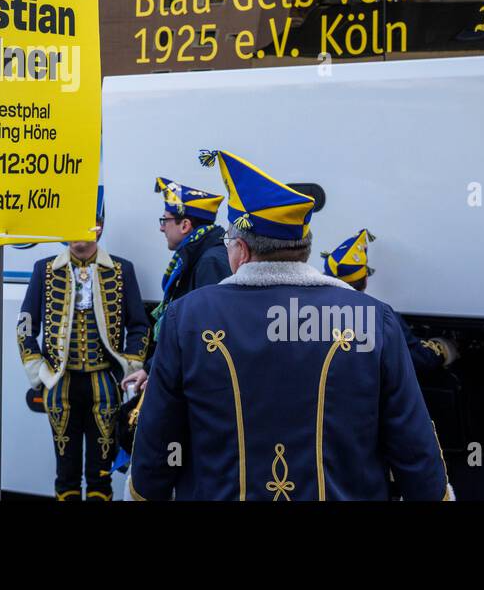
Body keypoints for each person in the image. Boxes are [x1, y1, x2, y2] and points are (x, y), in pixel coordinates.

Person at [128, 149, 452, 501]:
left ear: (242, 250)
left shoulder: (187, 318)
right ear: (304, 248)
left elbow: (156, 442)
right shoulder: (372, 319)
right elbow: (414, 447)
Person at [17, 191, 148, 500]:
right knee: (65, 470)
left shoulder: (120, 269)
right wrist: (38, 372)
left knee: (101, 472)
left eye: (87, 224)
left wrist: (130, 366)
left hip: (104, 382)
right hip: (60, 382)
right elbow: (25, 325)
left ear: (99, 227)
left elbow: (139, 325)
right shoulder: (45, 269)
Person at [120, 177, 229, 396]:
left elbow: (204, 335)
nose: (161, 228)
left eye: (165, 220)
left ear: (185, 225)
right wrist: (151, 369)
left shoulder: (210, 261)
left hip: (200, 387)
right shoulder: (197, 257)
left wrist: (166, 376)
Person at [322, 228, 458, 376]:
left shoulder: (308, 314)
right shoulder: (381, 317)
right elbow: (418, 359)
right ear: (365, 280)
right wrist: (445, 347)